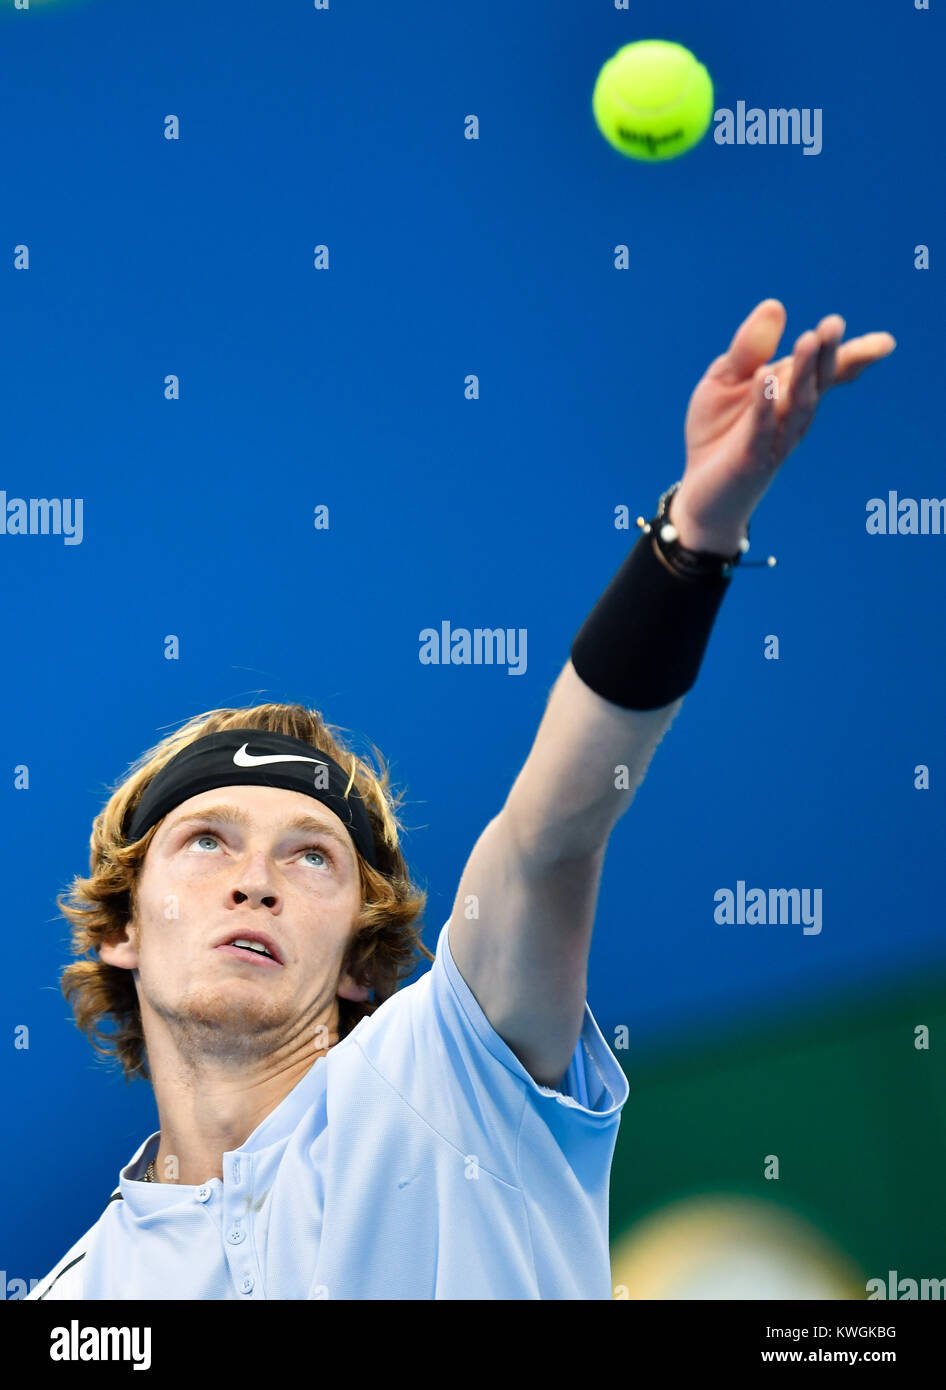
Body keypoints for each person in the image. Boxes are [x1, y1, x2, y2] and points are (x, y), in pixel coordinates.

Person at [26, 300, 895, 1301]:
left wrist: (691, 536)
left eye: (311, 855)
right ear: (121, 929)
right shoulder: (73, 1304)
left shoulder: (454, 1074)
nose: (254, 880)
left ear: (360, 956)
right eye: (206, 840)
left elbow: (551, 831)